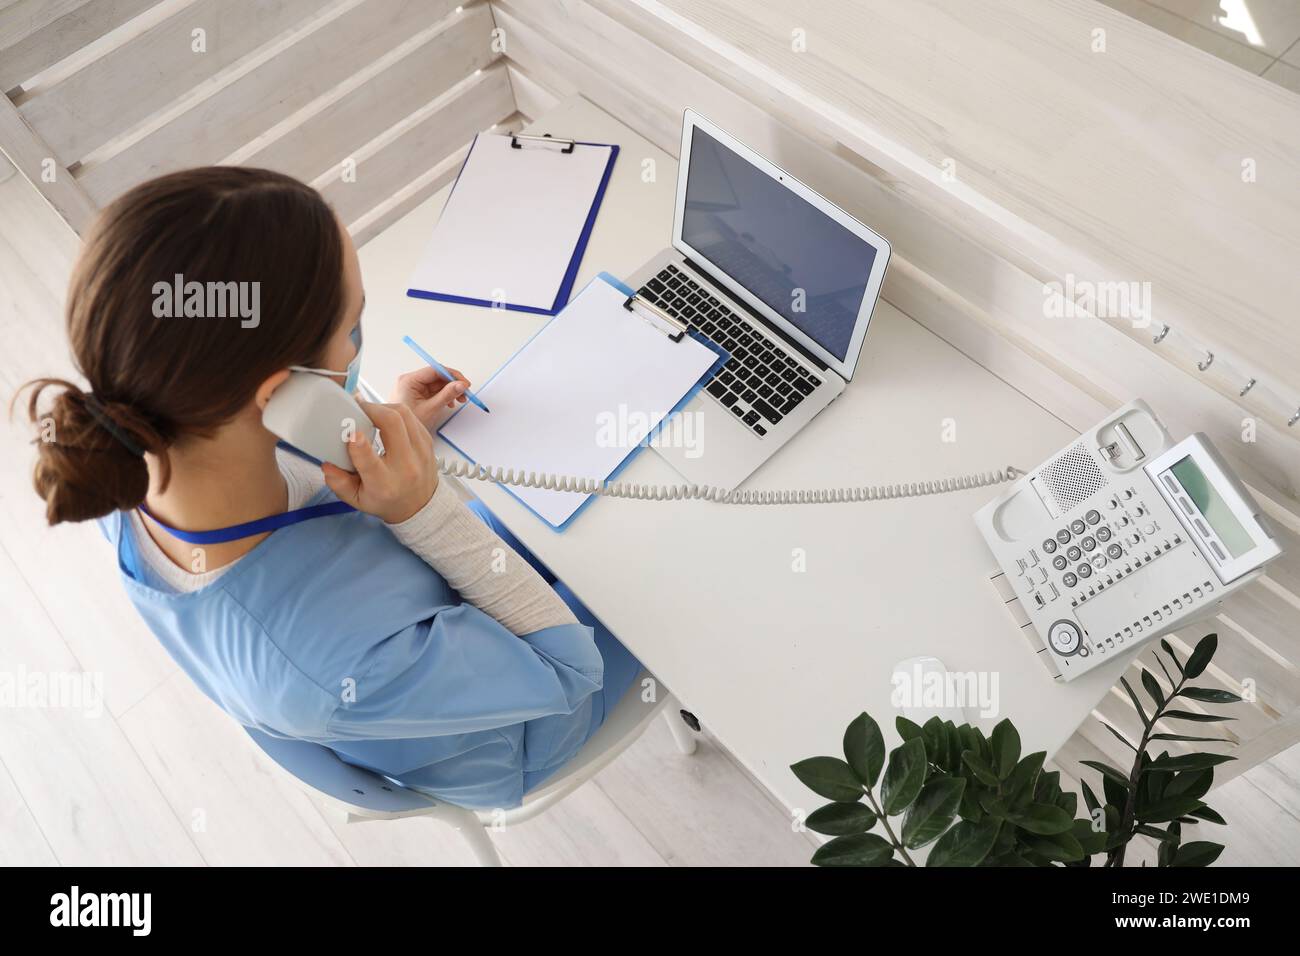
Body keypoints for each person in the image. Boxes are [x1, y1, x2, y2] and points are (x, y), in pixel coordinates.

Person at [18, 167, 642, 810]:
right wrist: (426, 514)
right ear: (278, 392)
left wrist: (373, 438)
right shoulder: (339, 667)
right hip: (526, 718)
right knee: (673, 551)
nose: (356, 343)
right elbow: (570, 670)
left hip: (444, 604)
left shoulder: (129, 456)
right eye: (352, 326)